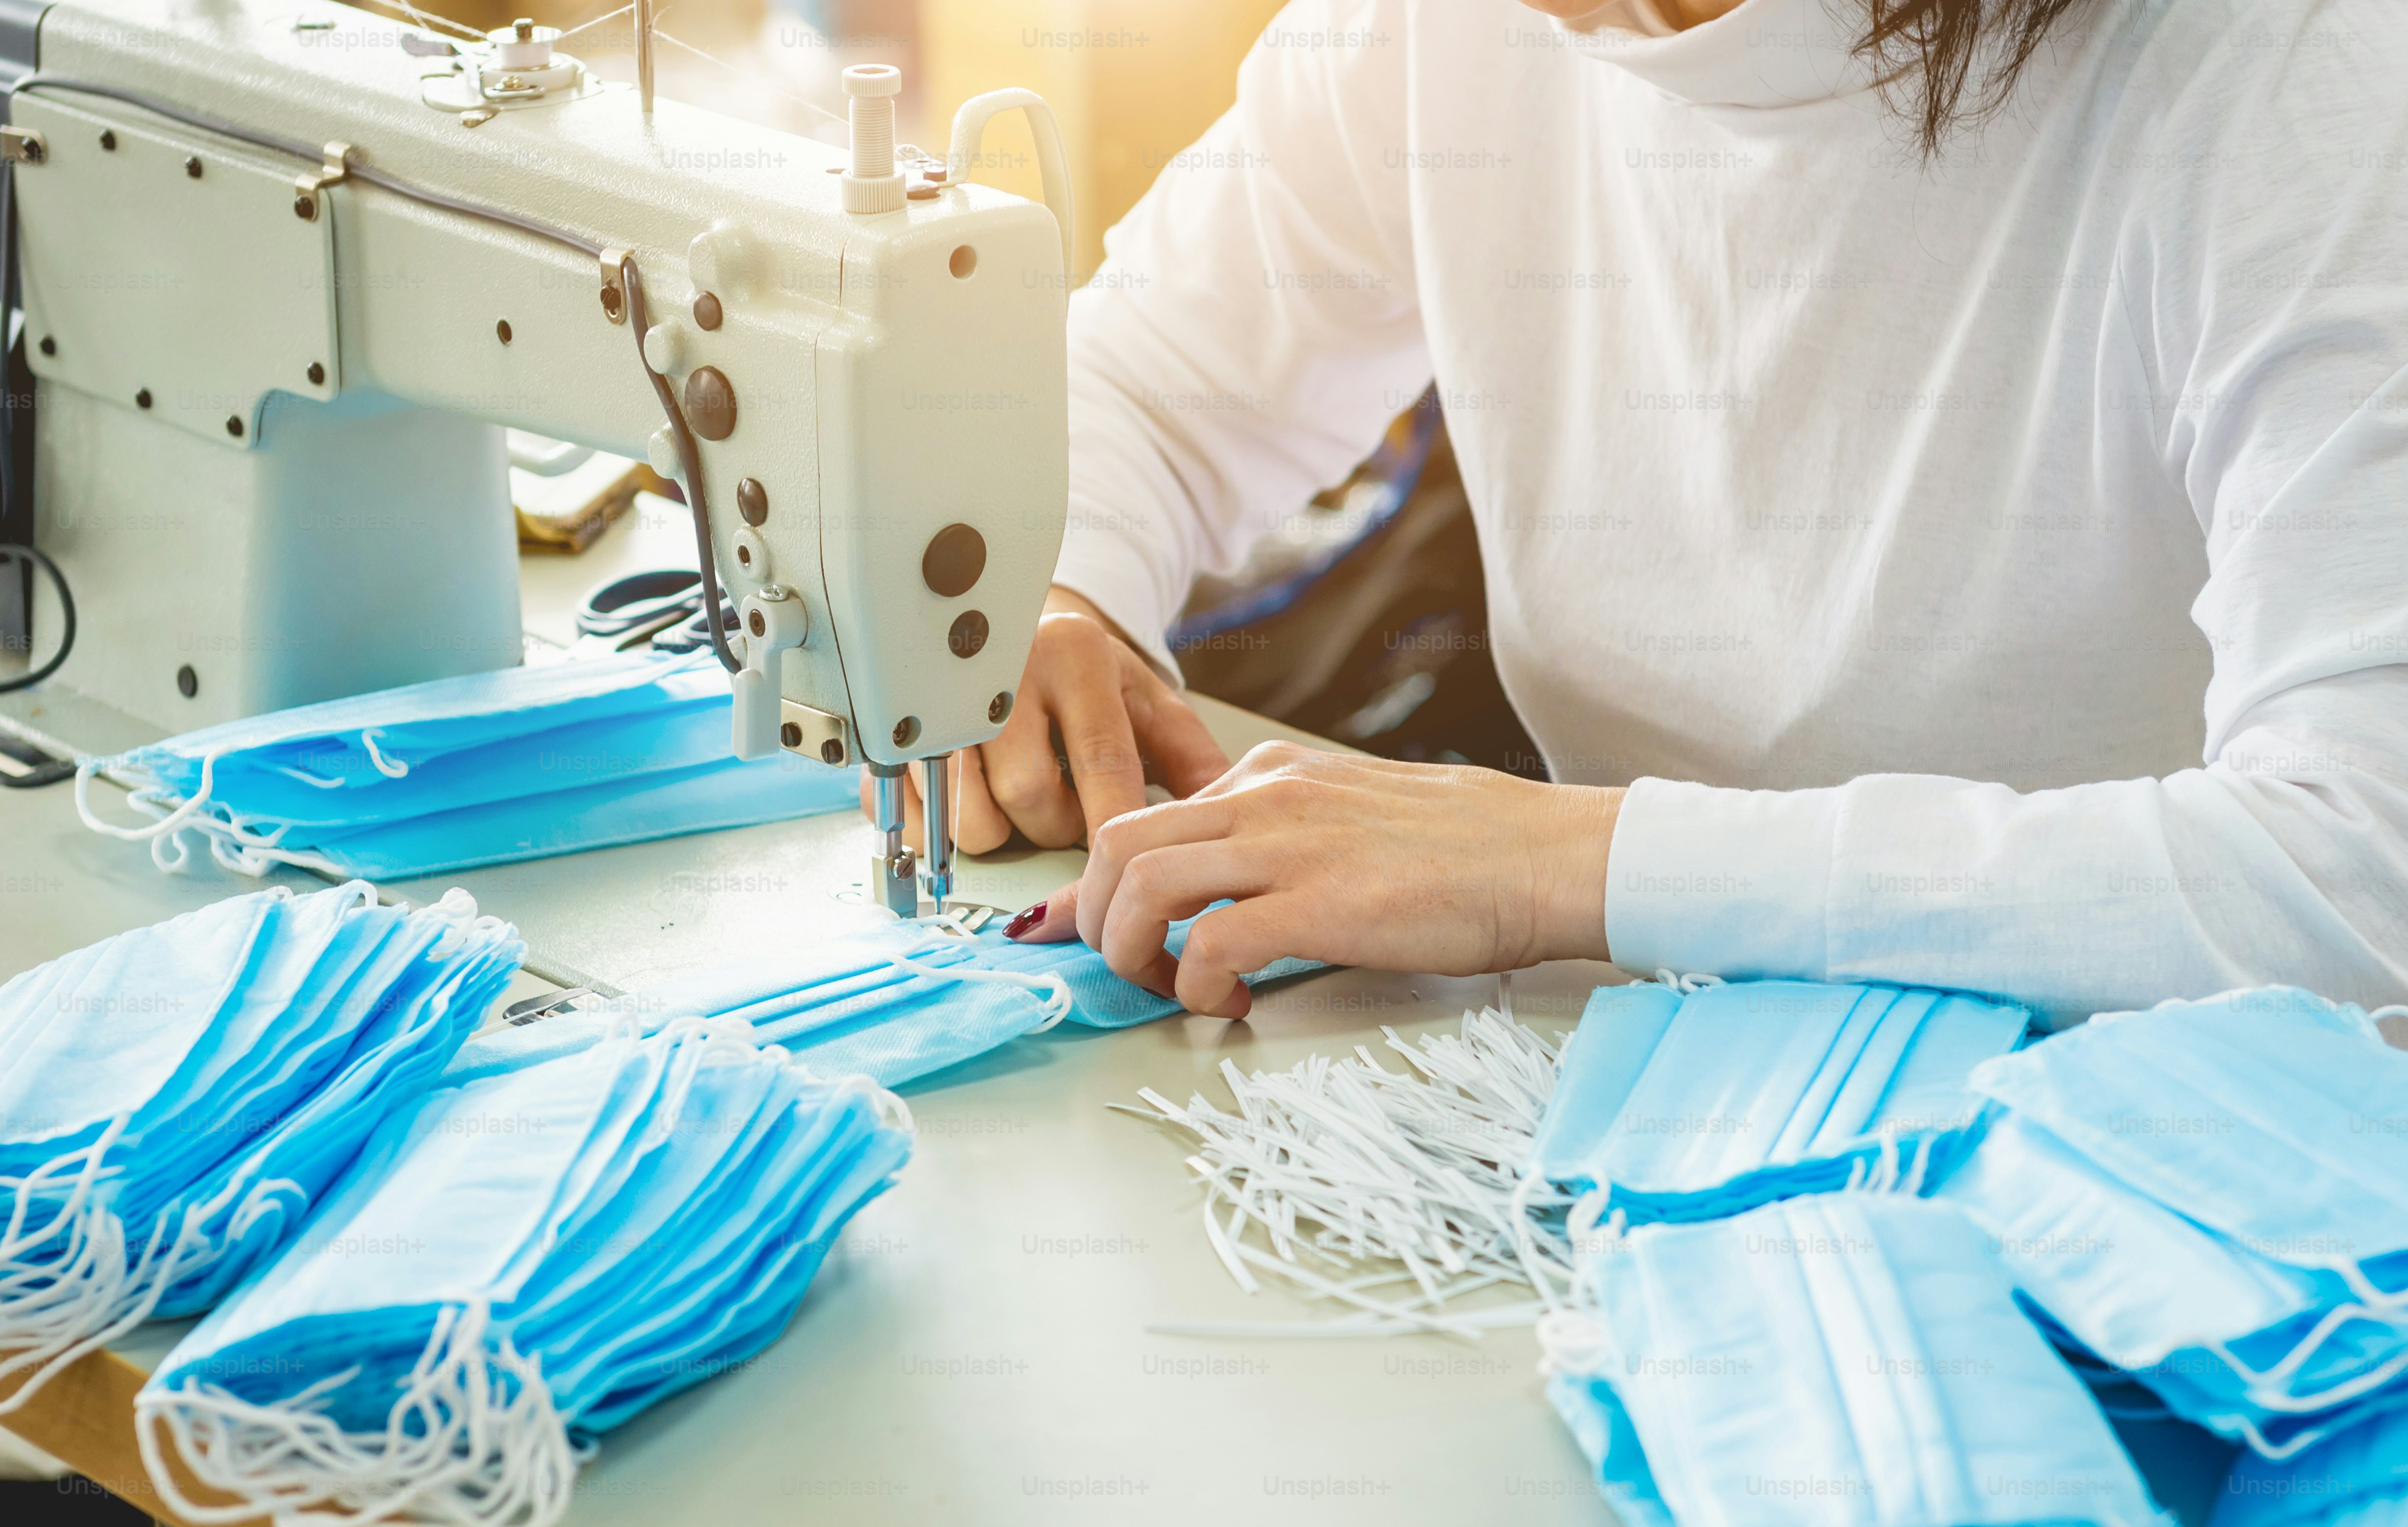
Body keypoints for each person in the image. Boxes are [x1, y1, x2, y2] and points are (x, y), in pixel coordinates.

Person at [876, 0, 2408, 1030]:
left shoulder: (2305, 78)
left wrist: (1566, 866)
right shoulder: (1450, 35)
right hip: (1647, 1073)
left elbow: (2355, 872)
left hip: (2186, 1169)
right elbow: (1148, 380)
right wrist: (1054, 590)